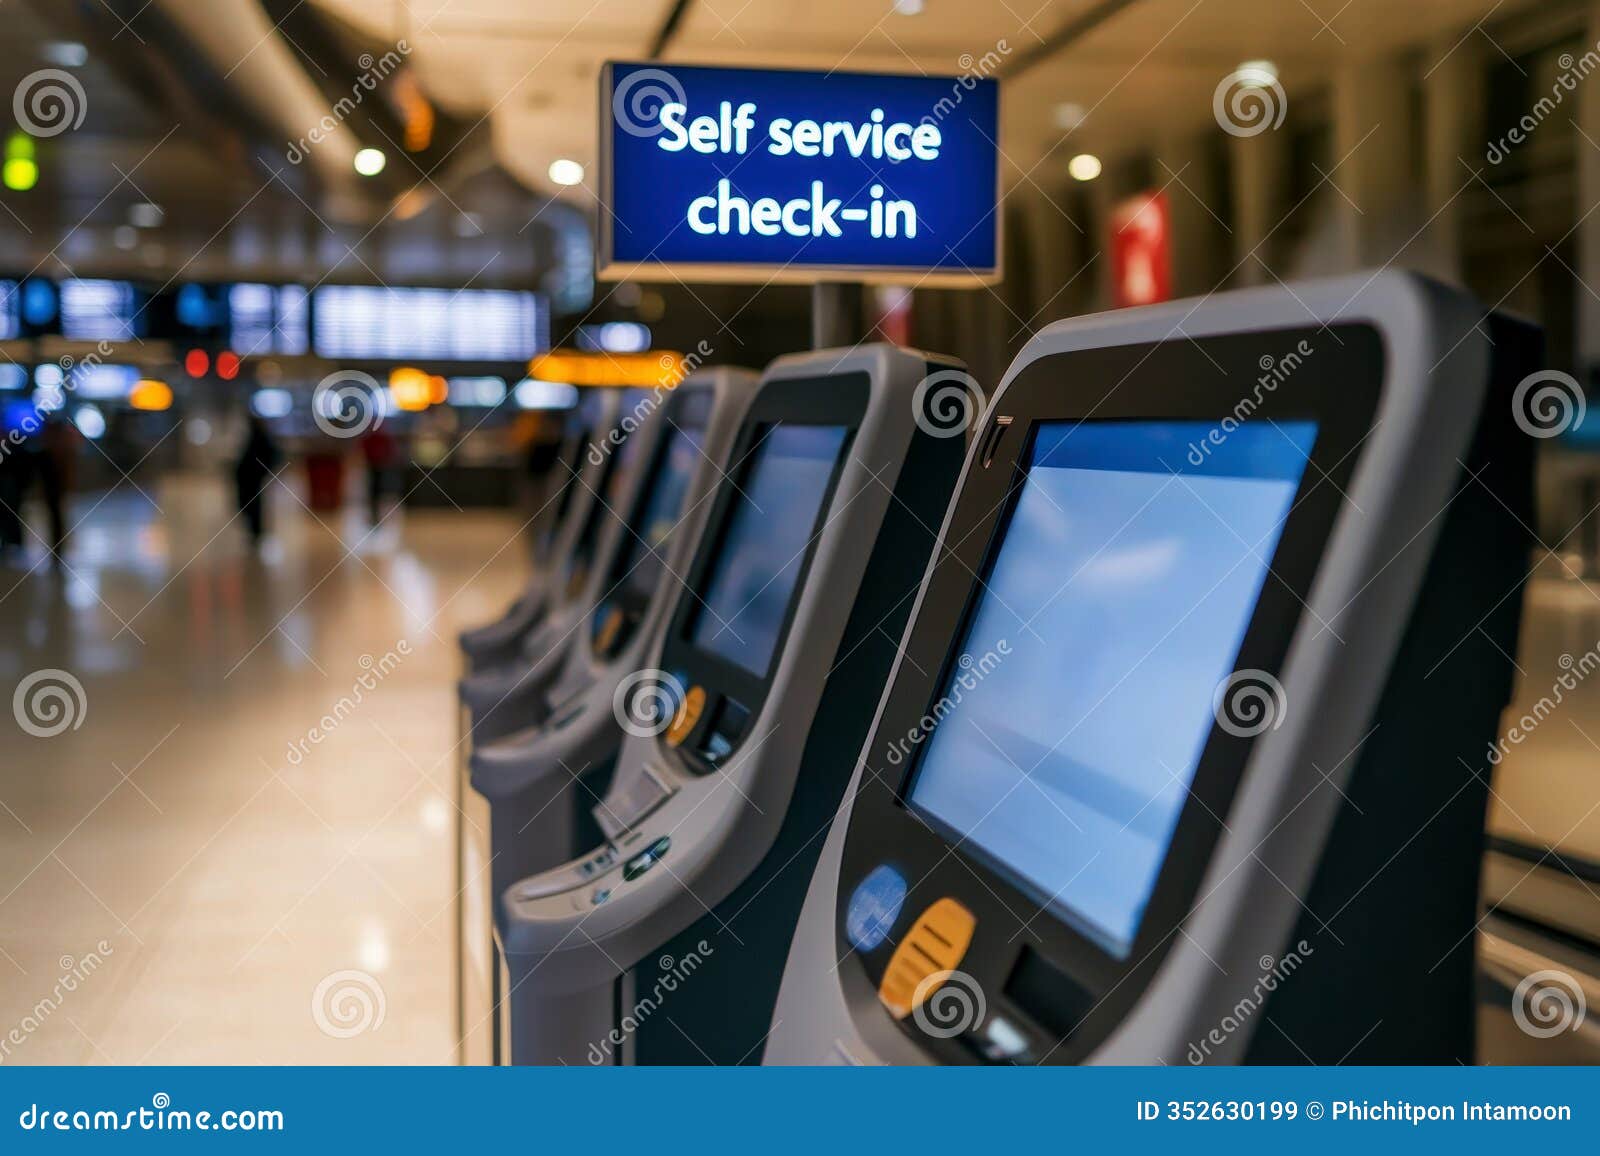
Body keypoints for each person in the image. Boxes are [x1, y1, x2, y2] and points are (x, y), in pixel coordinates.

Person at [234, 415, 281, 545]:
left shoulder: (259, 439)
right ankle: (254, 531)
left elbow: (269, 457)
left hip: (252, 478)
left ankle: (256, 532)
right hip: (249, 478)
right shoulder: (255, 438)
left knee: (253, 506)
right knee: (251, 505)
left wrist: (261, 472)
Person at [36, 414, 77, 563]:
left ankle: (58, 550)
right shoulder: (53, 451)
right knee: (55, 519)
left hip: (55, 490)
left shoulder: (57, 451)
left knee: (57, 519)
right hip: (53, 490)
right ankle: (57, 549)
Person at [360, 424, 401, 526]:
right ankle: (374, 509)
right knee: (372, 489)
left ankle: (378, 509)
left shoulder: (383, 437)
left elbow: (389, 450)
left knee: (379, 488)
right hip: (372, 466)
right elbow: (363, 450)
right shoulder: (370, 438)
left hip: (381, 467)